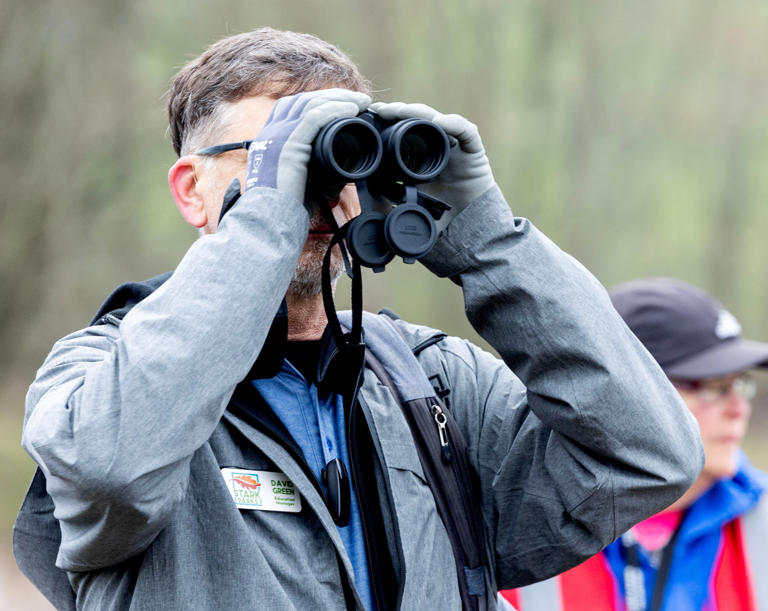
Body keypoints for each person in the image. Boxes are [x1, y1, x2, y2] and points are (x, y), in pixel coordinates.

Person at [14, 29, 702, 610]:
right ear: (192, 190)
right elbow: (110, 471)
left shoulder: (431, 384)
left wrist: (490, 240)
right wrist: (264, 221)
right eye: (272, 156)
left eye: (332, 156)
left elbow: (648, 454)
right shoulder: (96, 377)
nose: (314, 191)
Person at [504, 278, 768, 611]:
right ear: (624, 394)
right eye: (712, 386)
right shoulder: (514, 523)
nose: (738, 409)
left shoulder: (760, 519)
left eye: (739, 384)